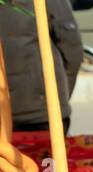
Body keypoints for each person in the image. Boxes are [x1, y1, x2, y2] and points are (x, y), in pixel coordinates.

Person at [0, 0, 83, 133]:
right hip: (39, 107)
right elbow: (72, 50)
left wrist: (57, 95)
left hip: (41, 112)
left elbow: (71, 50)